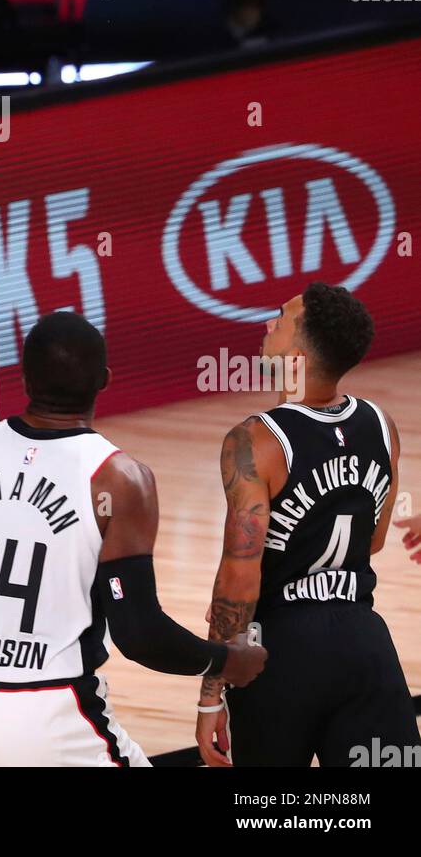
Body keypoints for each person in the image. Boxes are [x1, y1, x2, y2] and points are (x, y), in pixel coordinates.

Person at [0, 311, 266, 767]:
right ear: (104, 381)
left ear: (24, 377)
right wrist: (227, 661)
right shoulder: (117, 478)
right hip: (53, 727)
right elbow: (138, 634)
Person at [197, 282, 417, 768]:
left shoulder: (255, 441)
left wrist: (211, 693)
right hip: (364, 640)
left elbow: (240, 577)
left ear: (295, 355)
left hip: (278, 652)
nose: (267, 324)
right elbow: (373, 540)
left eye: (279, 318)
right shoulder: (382, 425)